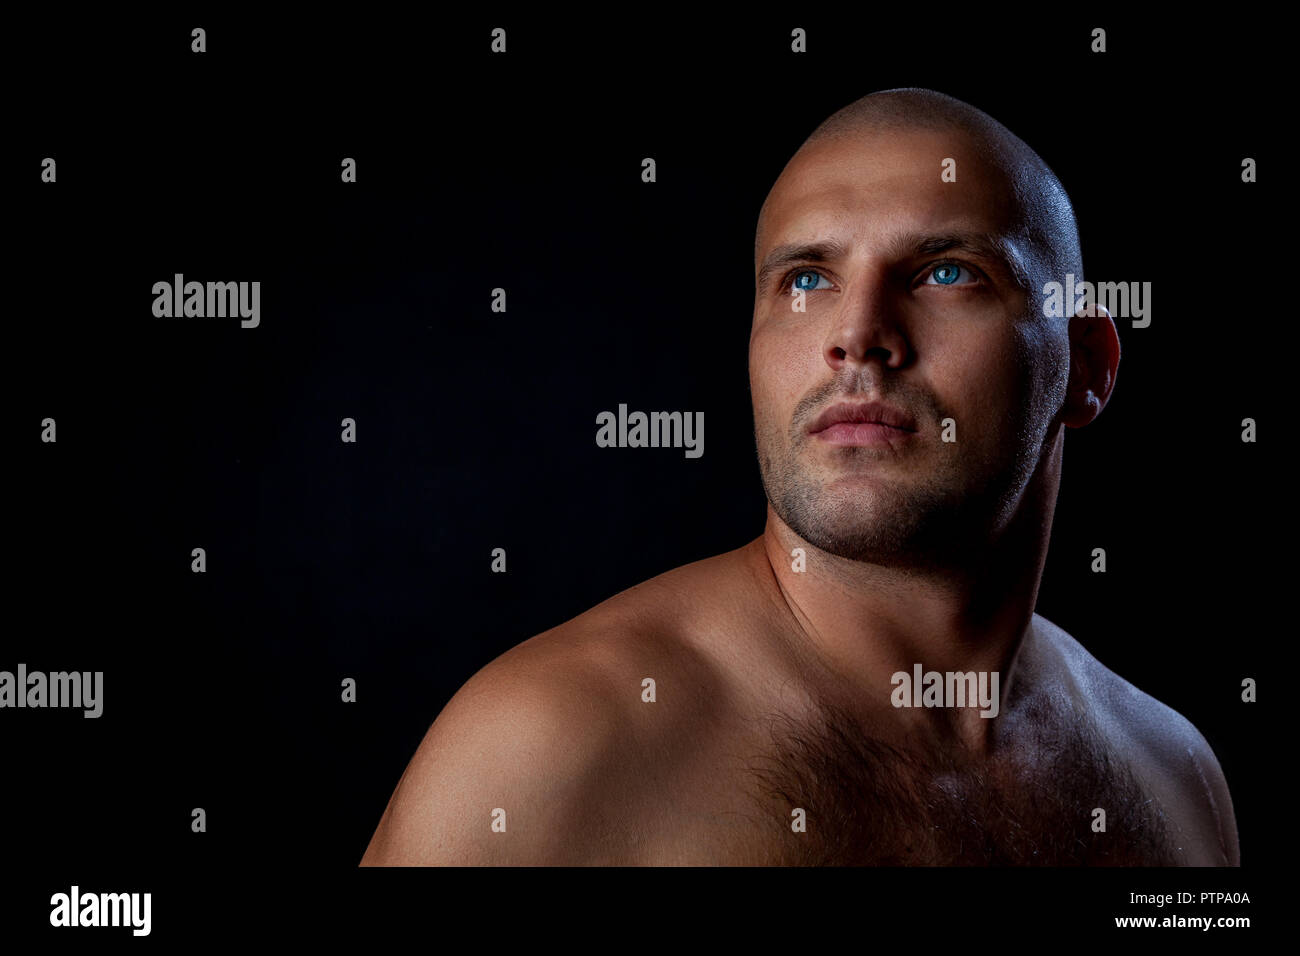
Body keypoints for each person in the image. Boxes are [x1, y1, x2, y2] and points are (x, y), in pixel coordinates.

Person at [361, 88, 1239, 866]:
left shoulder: (1172, 777)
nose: (857, 334)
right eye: (807, 278)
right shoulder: (550, 747)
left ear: (1086, 364)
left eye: (945, 272)